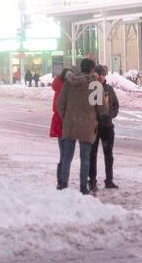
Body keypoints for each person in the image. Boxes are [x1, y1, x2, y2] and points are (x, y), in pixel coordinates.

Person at [56, 58, 104, 194]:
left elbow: (60, 104)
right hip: (87, 124)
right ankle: (83, 187)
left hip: (70, 124)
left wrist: (66, 116)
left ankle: (63, 184)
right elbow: (101, 108)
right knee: (85, 157)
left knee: (67, 156)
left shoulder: (69, 83)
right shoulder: (95, 85)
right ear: (92, 69)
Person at [86, 65, 120, 191]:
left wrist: (110, 115)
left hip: (107, 126)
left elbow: (116, 105)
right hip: (94, 126)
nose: (101, 77)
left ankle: (109, 180)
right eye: (99, 74)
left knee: (108, 155)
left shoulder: (109, 89)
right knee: (92, 155)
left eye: (103, 74)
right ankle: (92, 181)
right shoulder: (91, 88)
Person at [49, 67, 72, 188]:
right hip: (64, 123)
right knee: (66, 154)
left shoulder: (58, 89)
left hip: (59, 123)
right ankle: (62, 181)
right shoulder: (66, 90)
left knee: (63, 154)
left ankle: (61, 181)